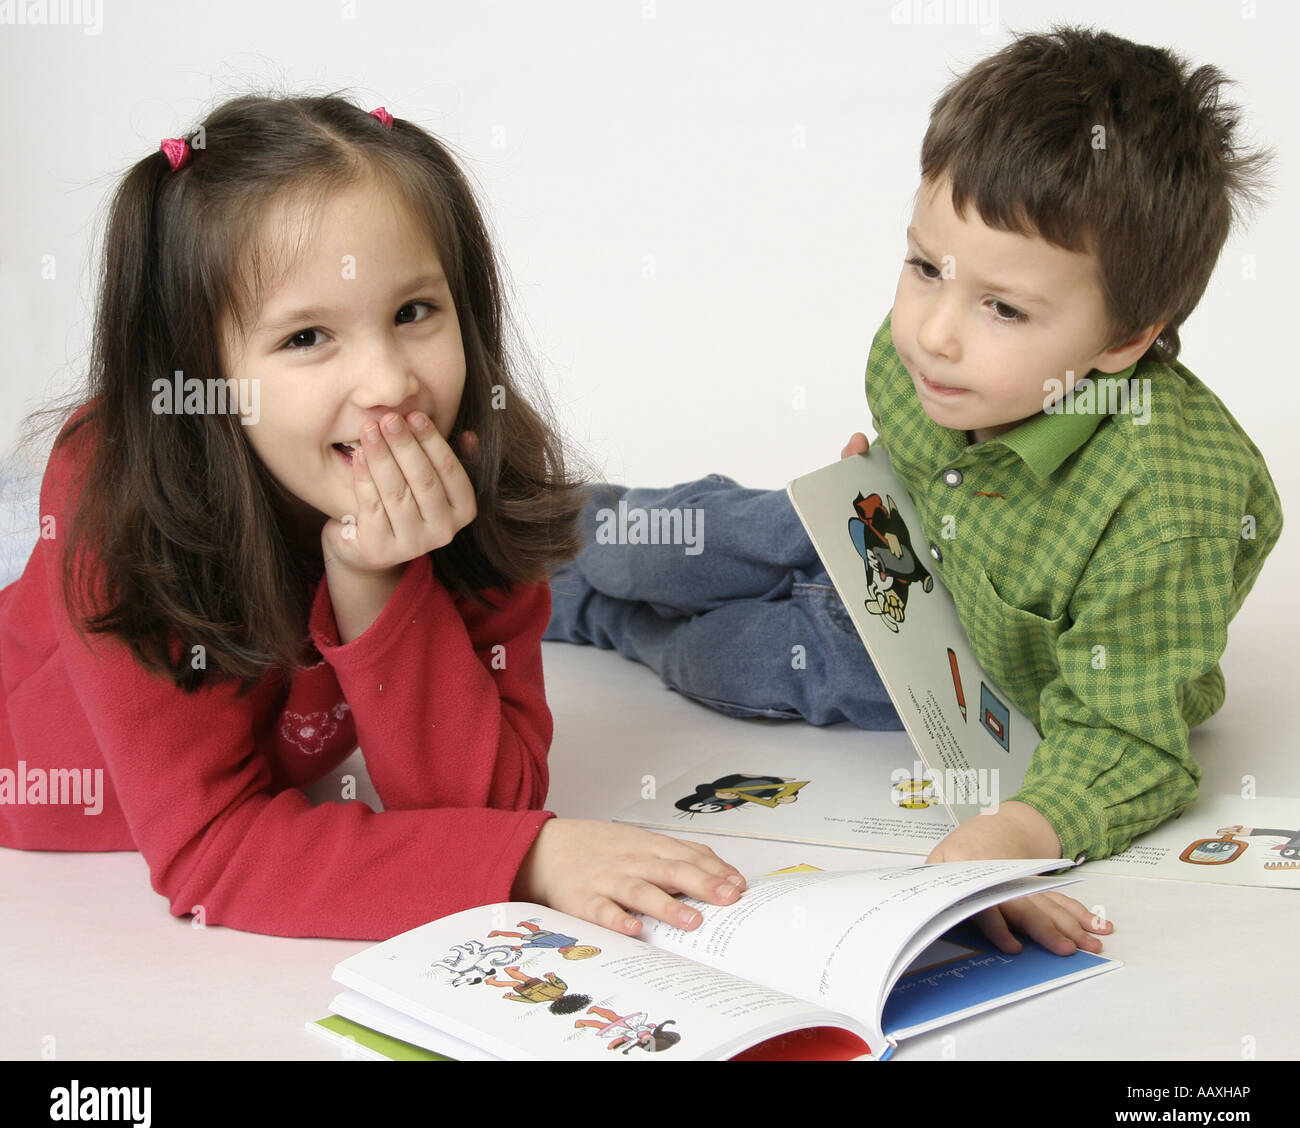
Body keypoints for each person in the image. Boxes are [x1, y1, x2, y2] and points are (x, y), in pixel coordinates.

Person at [546, 28, 1282, 954]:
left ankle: (586, 616)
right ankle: (524, 533)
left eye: (1003, 309)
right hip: (893, 527)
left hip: (975, 668)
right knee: (651, 544)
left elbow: (1130, 744)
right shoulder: (946, 365)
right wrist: (878, 481)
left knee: (720, 663)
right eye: (927, 267)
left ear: (1125, 340)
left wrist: (1008, 834)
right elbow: (905, 434)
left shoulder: (1167, 515)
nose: (934, 332)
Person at [0, 94, 746, 941]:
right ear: (198, 374)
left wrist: (376, 582)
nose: (391, 383)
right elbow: (211, 853)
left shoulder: (468, 465)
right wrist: (527, 861)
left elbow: (478, 805)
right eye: (308, 337)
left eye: (414, 313)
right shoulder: (119, 491)